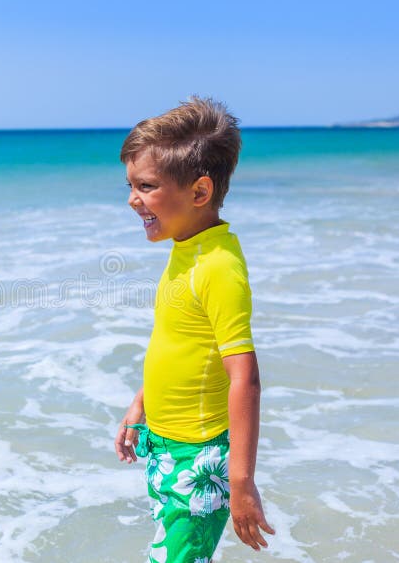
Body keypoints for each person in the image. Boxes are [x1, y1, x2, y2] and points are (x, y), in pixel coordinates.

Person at [114, 97, 274, 562]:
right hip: (166, 443)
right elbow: (177, 342)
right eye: (129, 185)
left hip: (200, 456)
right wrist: (141, 401)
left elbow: (245, 377)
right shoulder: (186, 249)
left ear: (200, 192)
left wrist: (241, 482)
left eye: (146, 186)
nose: (132, 199)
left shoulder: (219, 266)